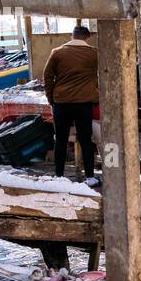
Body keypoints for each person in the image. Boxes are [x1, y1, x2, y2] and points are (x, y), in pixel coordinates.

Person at [42, 24, 100, 186]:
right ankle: (90, 177)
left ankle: (59, 175)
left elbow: (47, 77)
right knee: (86, 140)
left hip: (61, 103)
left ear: (72, 35)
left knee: (60, 140)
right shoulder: (94, 54)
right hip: (84, 103)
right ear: (87, 37)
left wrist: (51, 98)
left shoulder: (57, 52)